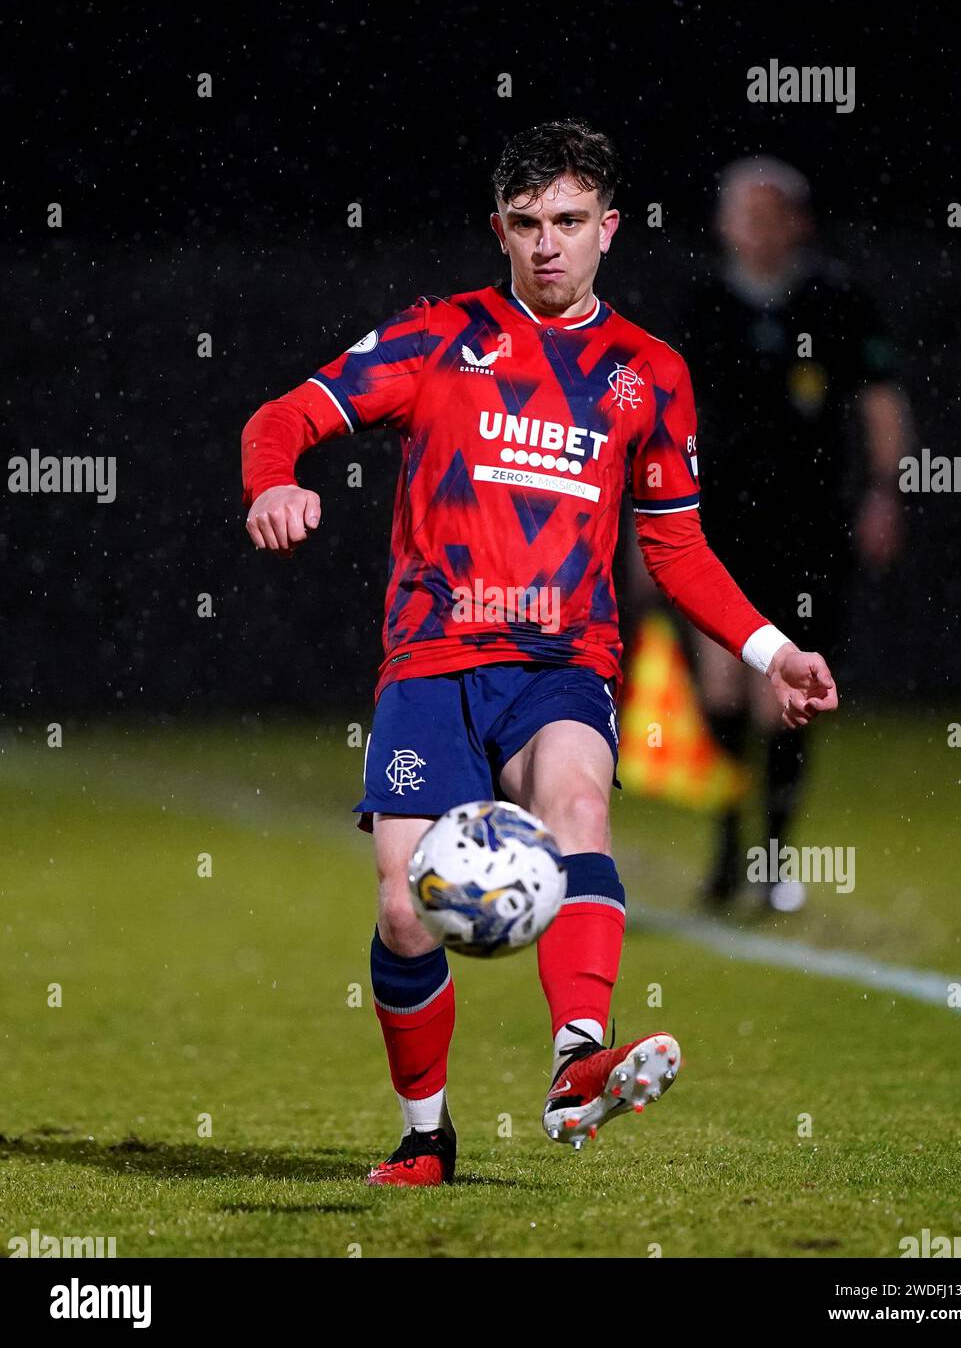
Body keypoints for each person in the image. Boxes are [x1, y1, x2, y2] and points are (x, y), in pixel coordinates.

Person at [240, 122, 838, 1187]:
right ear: (499, 230)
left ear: (608, 227)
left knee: (578, 805)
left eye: (568, 222)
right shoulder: (437, 339)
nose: (547, 246)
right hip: (428, 665)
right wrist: (273, 481)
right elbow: (282, 416)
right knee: (400, 907)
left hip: (562, 664)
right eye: (526, 225)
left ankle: (575, 1063)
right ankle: (426, 1135)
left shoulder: (647, 373)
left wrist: (768, 648)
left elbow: (674, 544)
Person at [671, 156, 909, 912]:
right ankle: (723, 845)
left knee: (789, 693)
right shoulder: (700, 305)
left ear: (798, 222)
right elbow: (653, 422)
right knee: (719, 689)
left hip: (808, 527)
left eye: (770, 212)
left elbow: (879, 400)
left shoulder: (834, 299)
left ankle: (774, 859)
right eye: (742, 212)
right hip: (713, 526)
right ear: (721, 224)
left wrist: (883, 492)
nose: (754, 227)